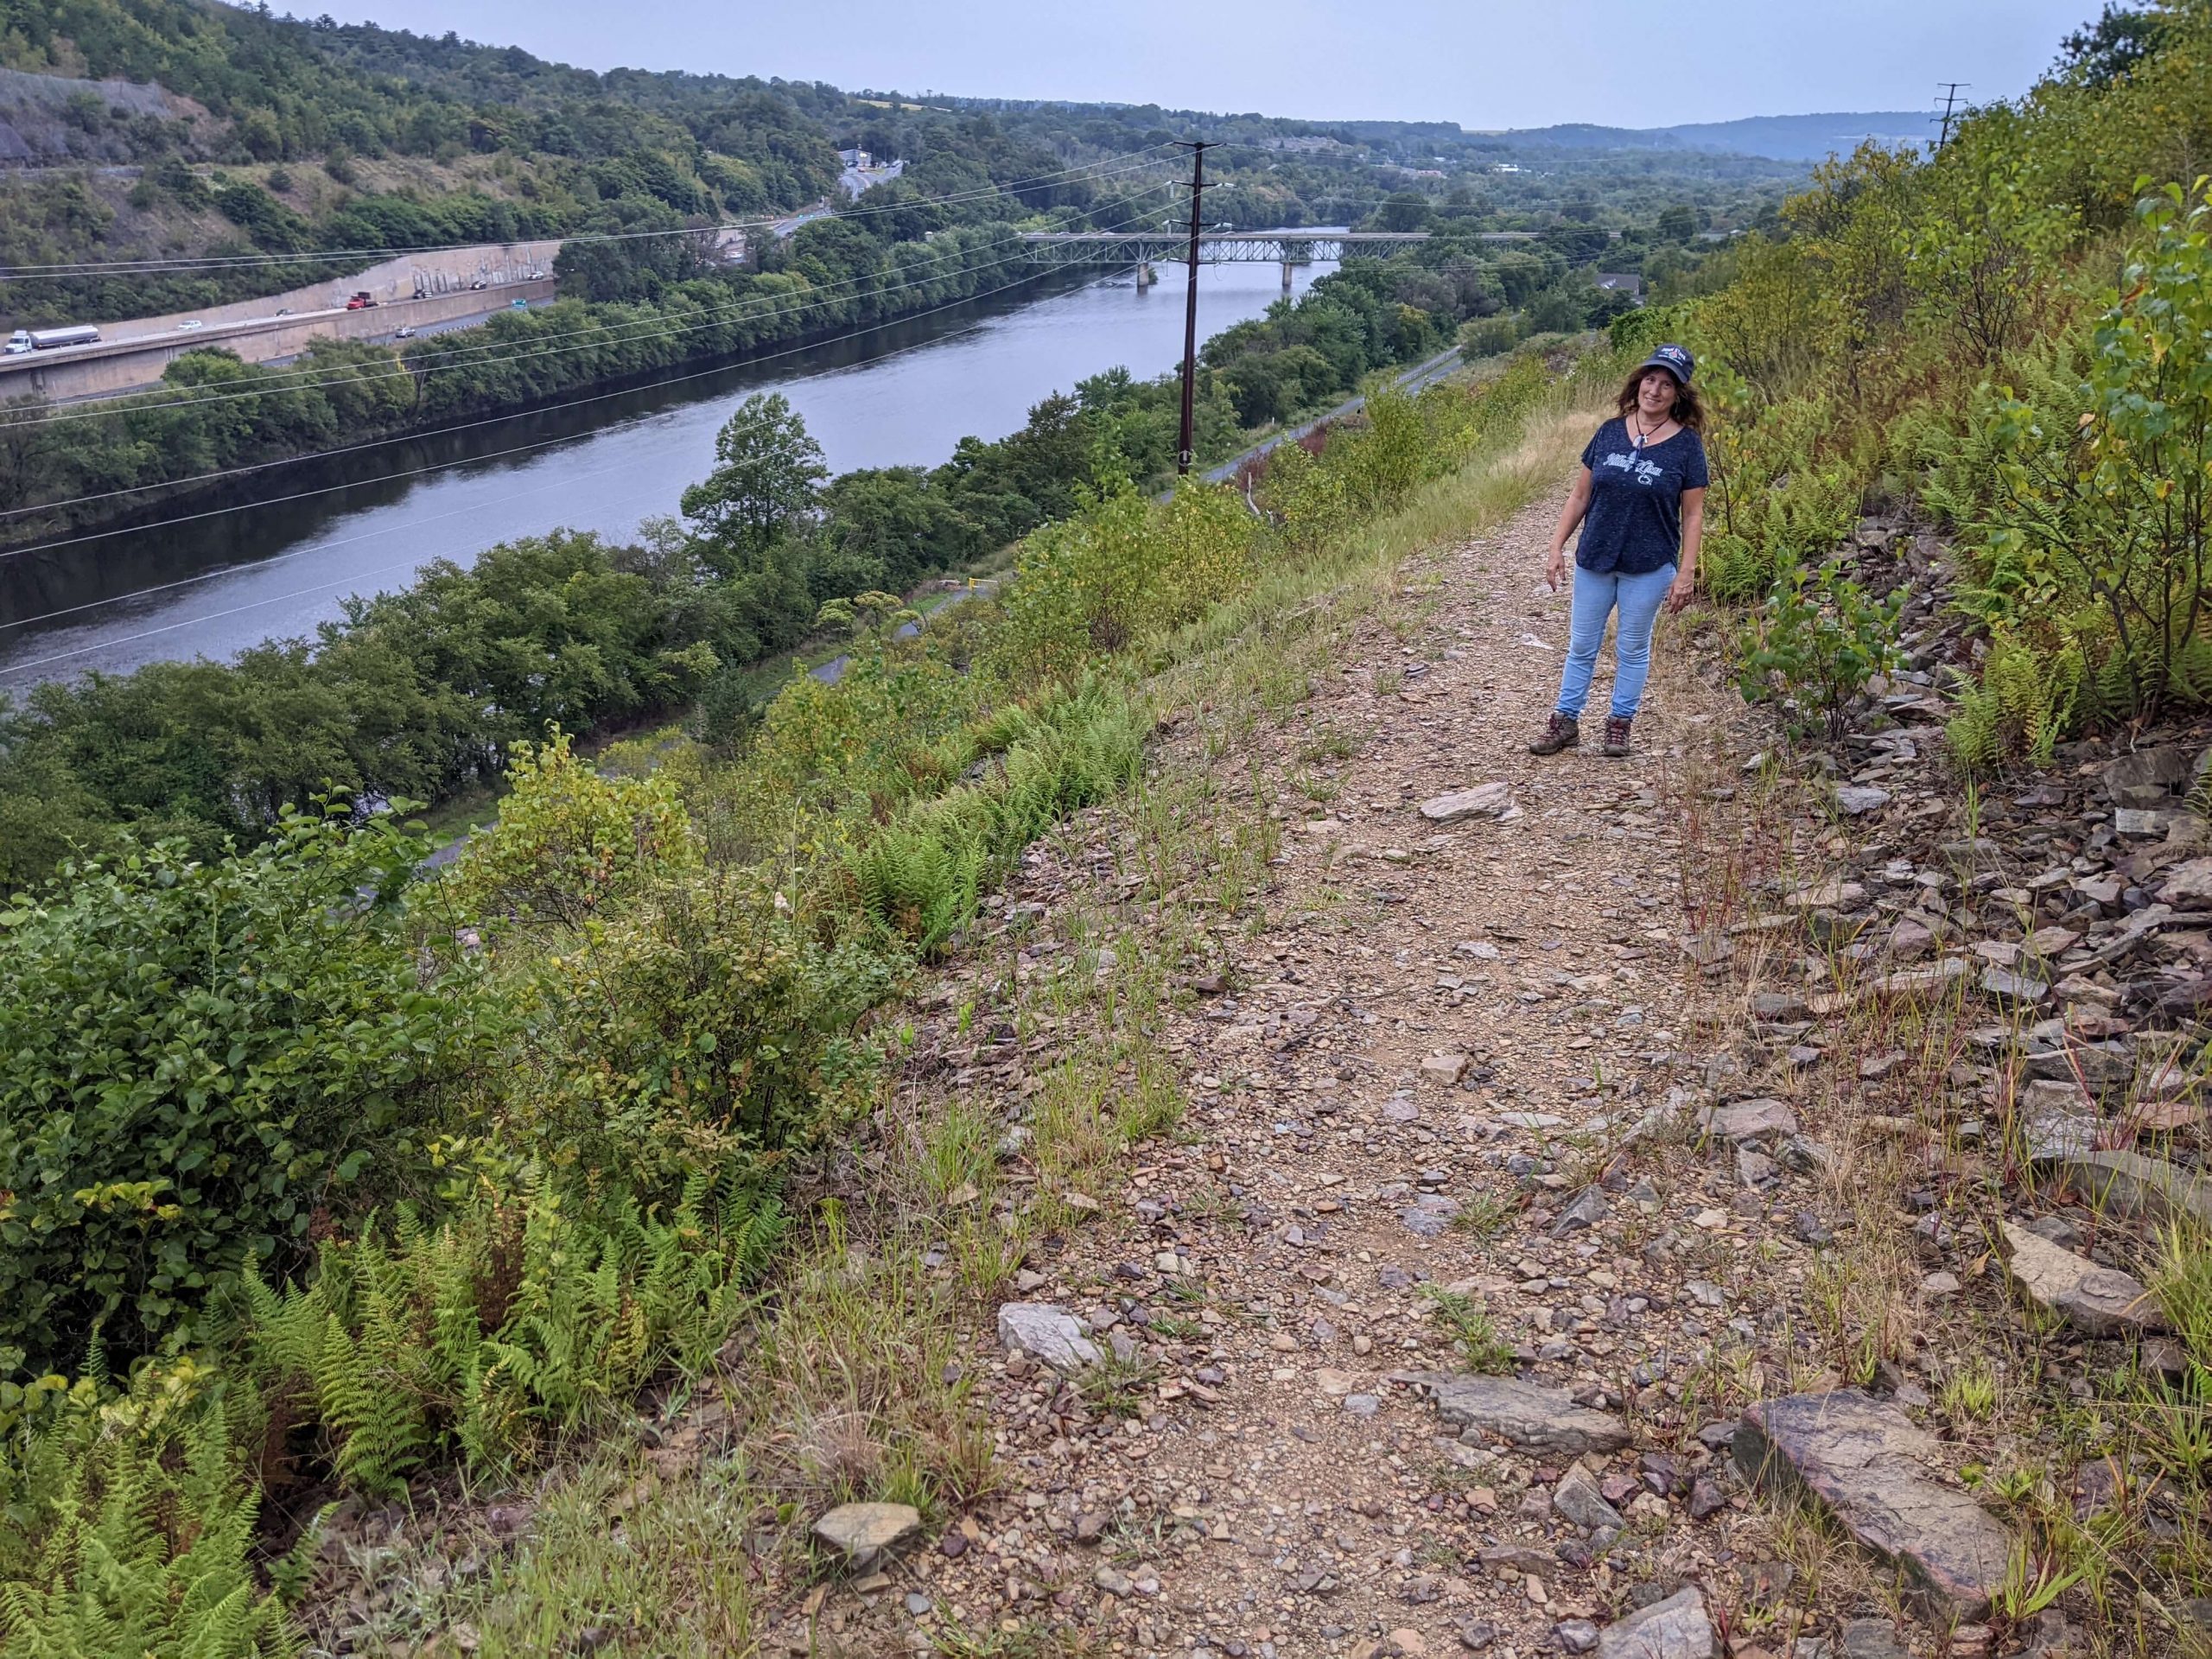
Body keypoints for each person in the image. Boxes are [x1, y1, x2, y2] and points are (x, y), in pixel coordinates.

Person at [1529, 343, 1707, 759]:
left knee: (1631, 646)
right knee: (1582, 644)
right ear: (1638, 383)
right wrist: (1556, 547)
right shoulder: (1610, 431)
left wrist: (1686, 572)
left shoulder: (1687, 447)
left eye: (1667, 384)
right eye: (1650, 379)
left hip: (1649, 565)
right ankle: (1565, 722)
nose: (1656, 390)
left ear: (1678, 394)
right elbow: (1579, 496)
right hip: (1596, 558)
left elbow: (1694, 516)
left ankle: (1619, 725)